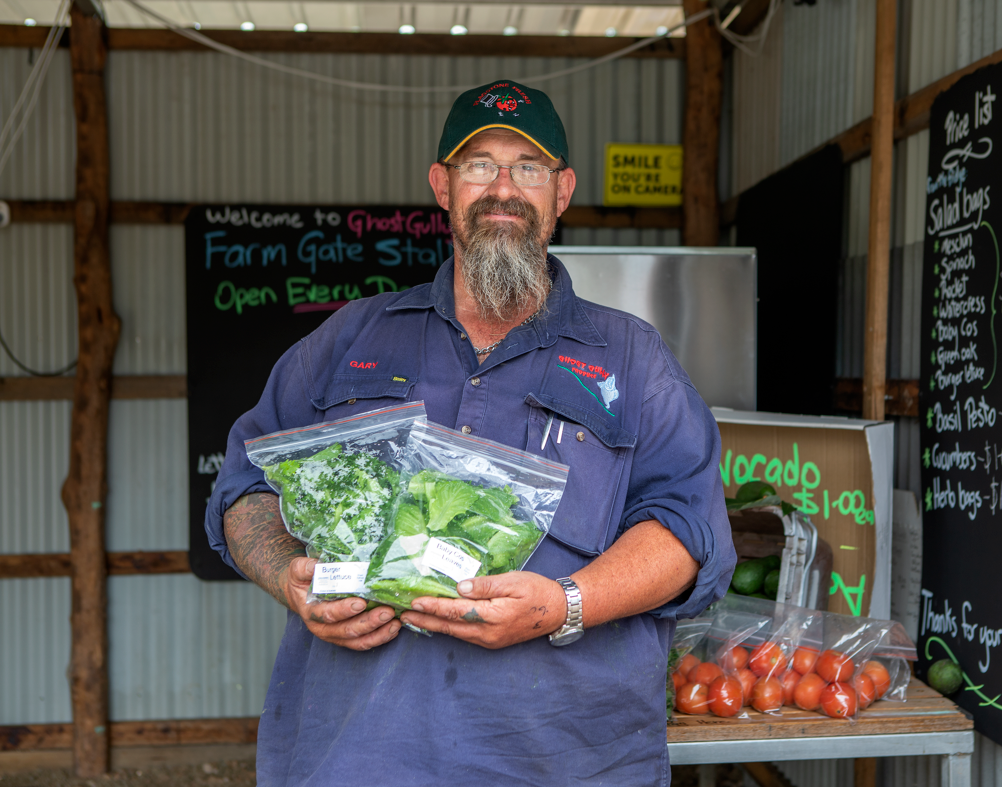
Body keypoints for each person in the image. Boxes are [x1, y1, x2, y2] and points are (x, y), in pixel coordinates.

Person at [205, 79, 735, 785]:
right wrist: (288, 578)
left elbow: (686, 529)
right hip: (357, 760)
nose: (503, 188)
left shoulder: (631, 357)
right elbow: (244, 484)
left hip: (568, 762)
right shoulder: (351, 339)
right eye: (479, 164)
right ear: (442, 185)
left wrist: (563, 602)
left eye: (528, 167)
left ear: (562, 190)